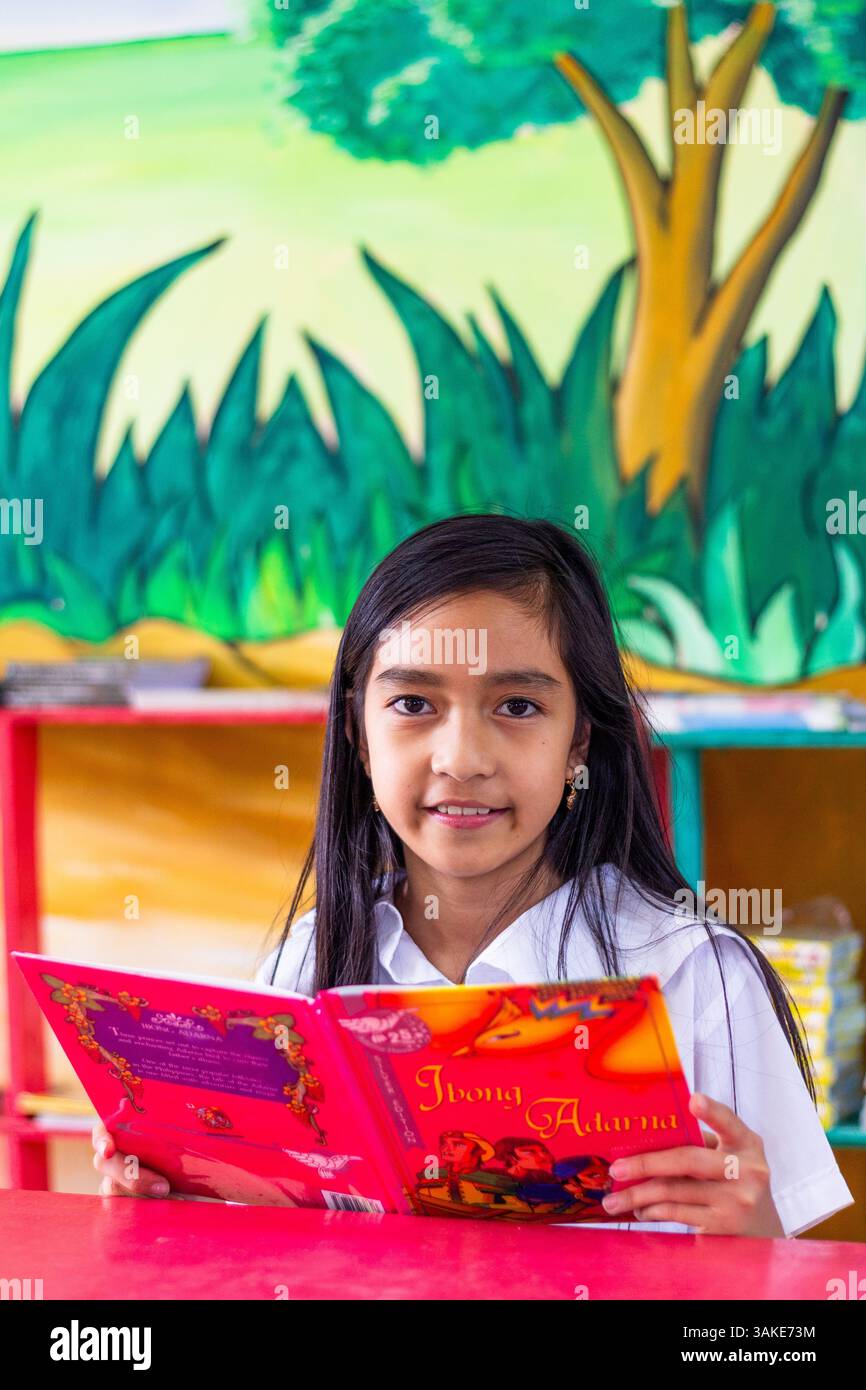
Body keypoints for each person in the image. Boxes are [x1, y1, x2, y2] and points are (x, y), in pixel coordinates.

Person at [92, 513, 855, 1236]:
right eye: (414, 702)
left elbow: (780, 1316)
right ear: (358, 733)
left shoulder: (695, 975)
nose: (462, 759)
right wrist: (161, 1194)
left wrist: (755, 1238)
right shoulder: (302, 969)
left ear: (579, 741)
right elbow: (261, 1245)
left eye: (518, 705)